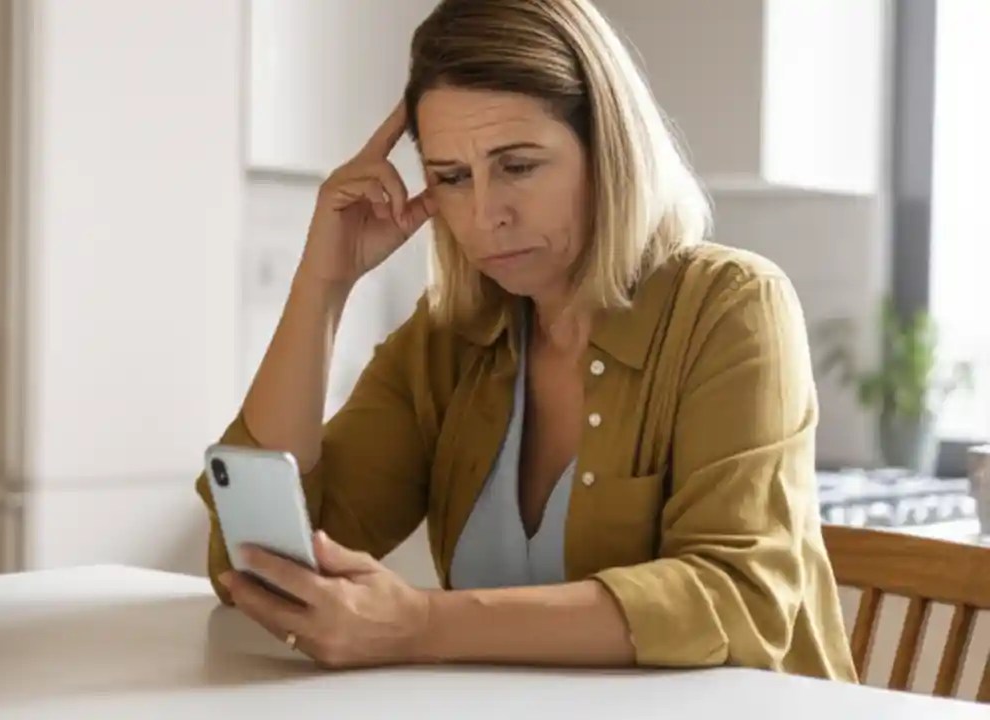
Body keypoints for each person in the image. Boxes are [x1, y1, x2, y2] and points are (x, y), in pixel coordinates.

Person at [195, 0, 856, 680]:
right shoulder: (451, 339)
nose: (486, 217)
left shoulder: (731, 306)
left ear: (608, 150)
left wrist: (422, 624)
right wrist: (322, 284)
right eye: (452, 177)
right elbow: (256, 570)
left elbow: (735, 597)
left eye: (518, 166)